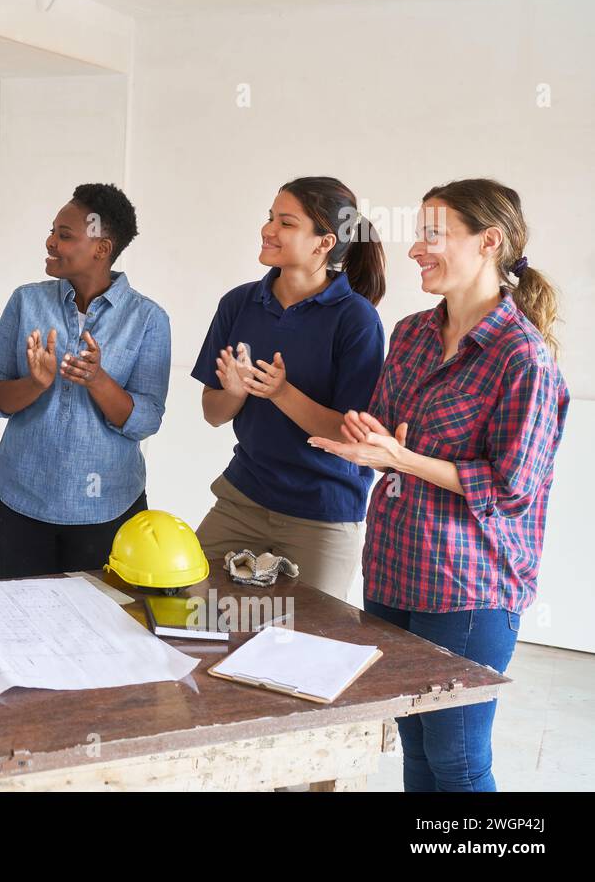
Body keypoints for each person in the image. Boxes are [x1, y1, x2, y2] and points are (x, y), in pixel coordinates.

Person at [310, 179, 569, 791]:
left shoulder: (522, 357)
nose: (414, 251)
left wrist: (402, 457)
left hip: (472, 587)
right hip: (396, 567)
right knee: (416, 749)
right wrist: (369, 442)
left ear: (489, 242)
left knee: (457, 758)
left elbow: (511, 489)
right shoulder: (410, 333)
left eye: (432, 235)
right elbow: (392, 442)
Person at [191, 177, 386, 600]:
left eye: (286, 222)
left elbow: (349, 436)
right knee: (191, 611)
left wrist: (281, 392)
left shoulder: (357, 319)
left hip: (321, 516)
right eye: (269, 217)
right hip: (241, 499)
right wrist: (237, 392)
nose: (268, 229)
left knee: (305, 648)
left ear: (323, 242)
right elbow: (212, 412)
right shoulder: (238, 303)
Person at [0, 183, 170, 578]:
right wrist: (35, 383)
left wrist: (98, 380)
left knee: (95, 632)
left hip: (106, 510)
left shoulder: (149, 319)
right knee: (19, 627)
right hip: (18, 505)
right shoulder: (25, 301)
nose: (50, 241)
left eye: (64, 235)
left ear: (102, 248)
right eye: (52, 231)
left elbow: (146, 420)